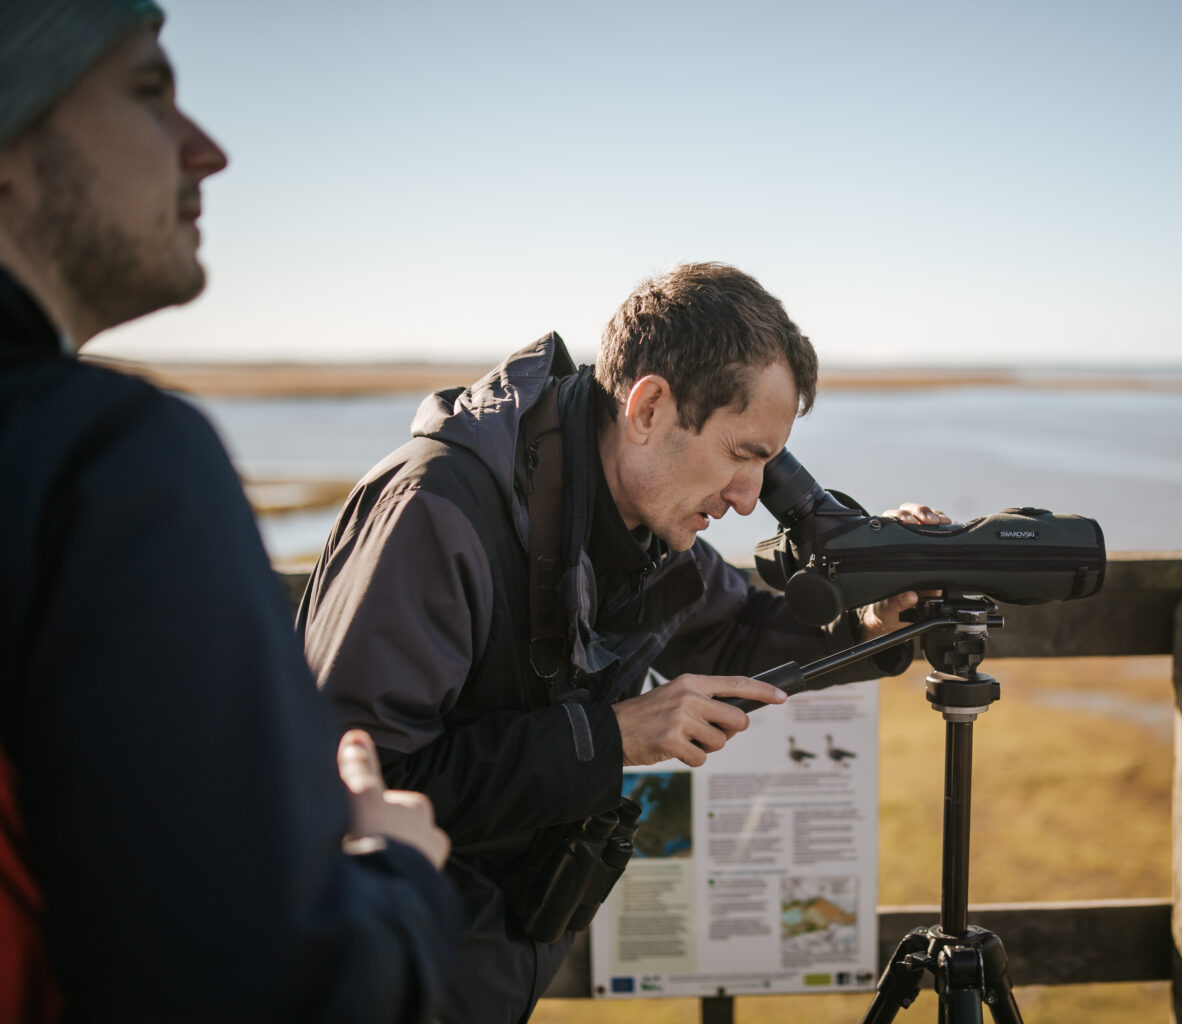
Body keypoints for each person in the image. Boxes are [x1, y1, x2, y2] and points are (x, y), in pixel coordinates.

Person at [298, 261, 949, 1023]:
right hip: (377, 978)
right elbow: (348, 788)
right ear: (648, 407)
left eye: (768, 469)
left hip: (480, 975)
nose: (748, 500)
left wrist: (870, 625)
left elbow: (737, 631)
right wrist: (610, 739)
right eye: (743, 455)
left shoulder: (639, 522)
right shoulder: (436, 513)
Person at [0, 2, 460, 1019]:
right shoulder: (105, 463)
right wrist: (397, 867)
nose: (207, 149)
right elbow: (279, 989)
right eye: (146, 92)